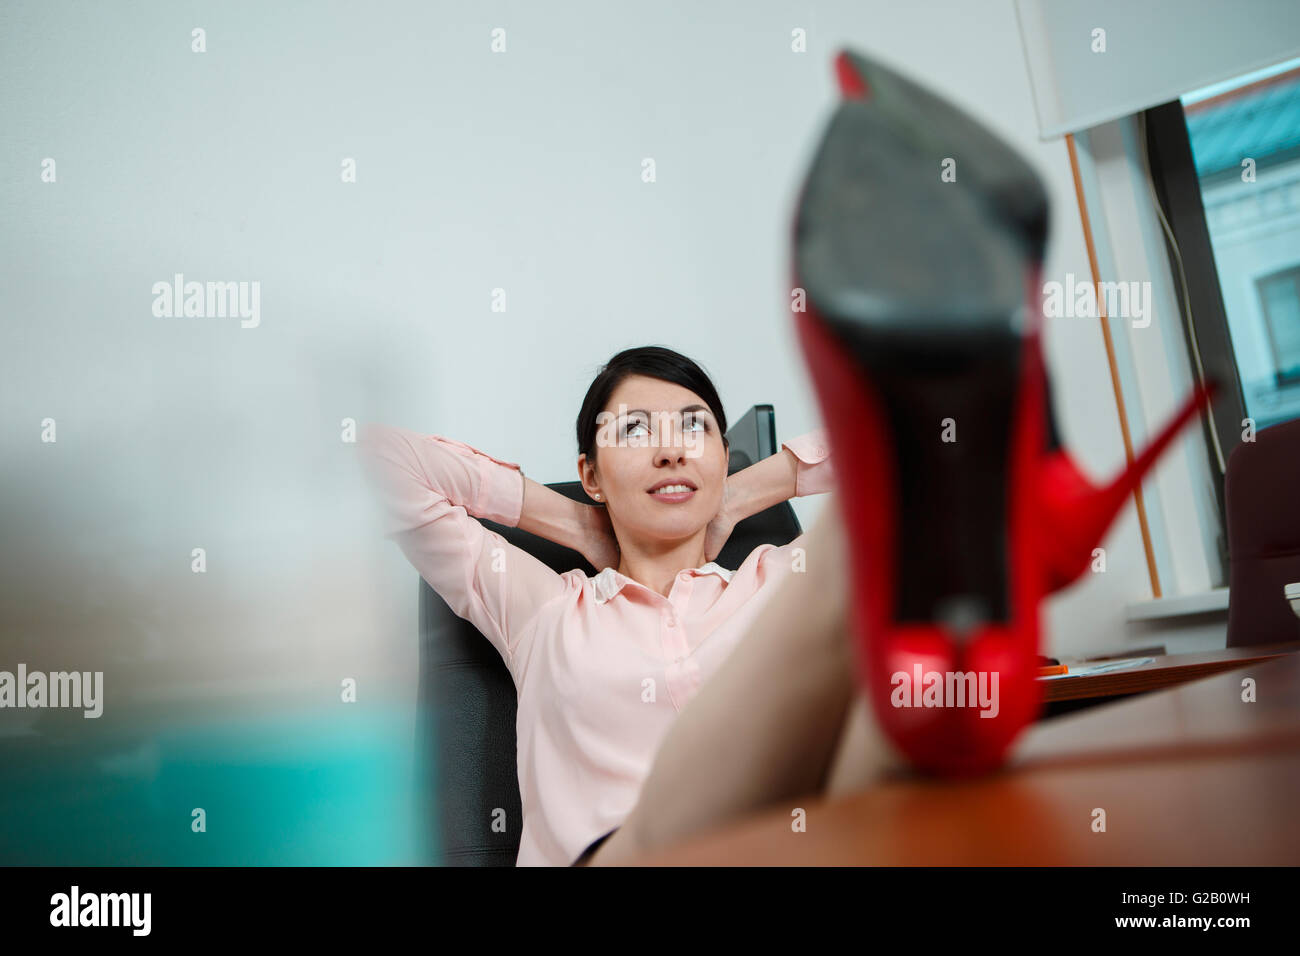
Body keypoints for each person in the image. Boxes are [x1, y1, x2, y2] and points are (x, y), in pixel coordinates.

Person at [358, 344, 901, 866]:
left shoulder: (783, 583)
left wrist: (746, 489)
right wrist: (568, 519)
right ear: (590, 474)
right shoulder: (544, 610)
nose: (671, 451)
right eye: (634, 430)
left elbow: (925, 453)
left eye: (695, 427)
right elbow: (375, 459)